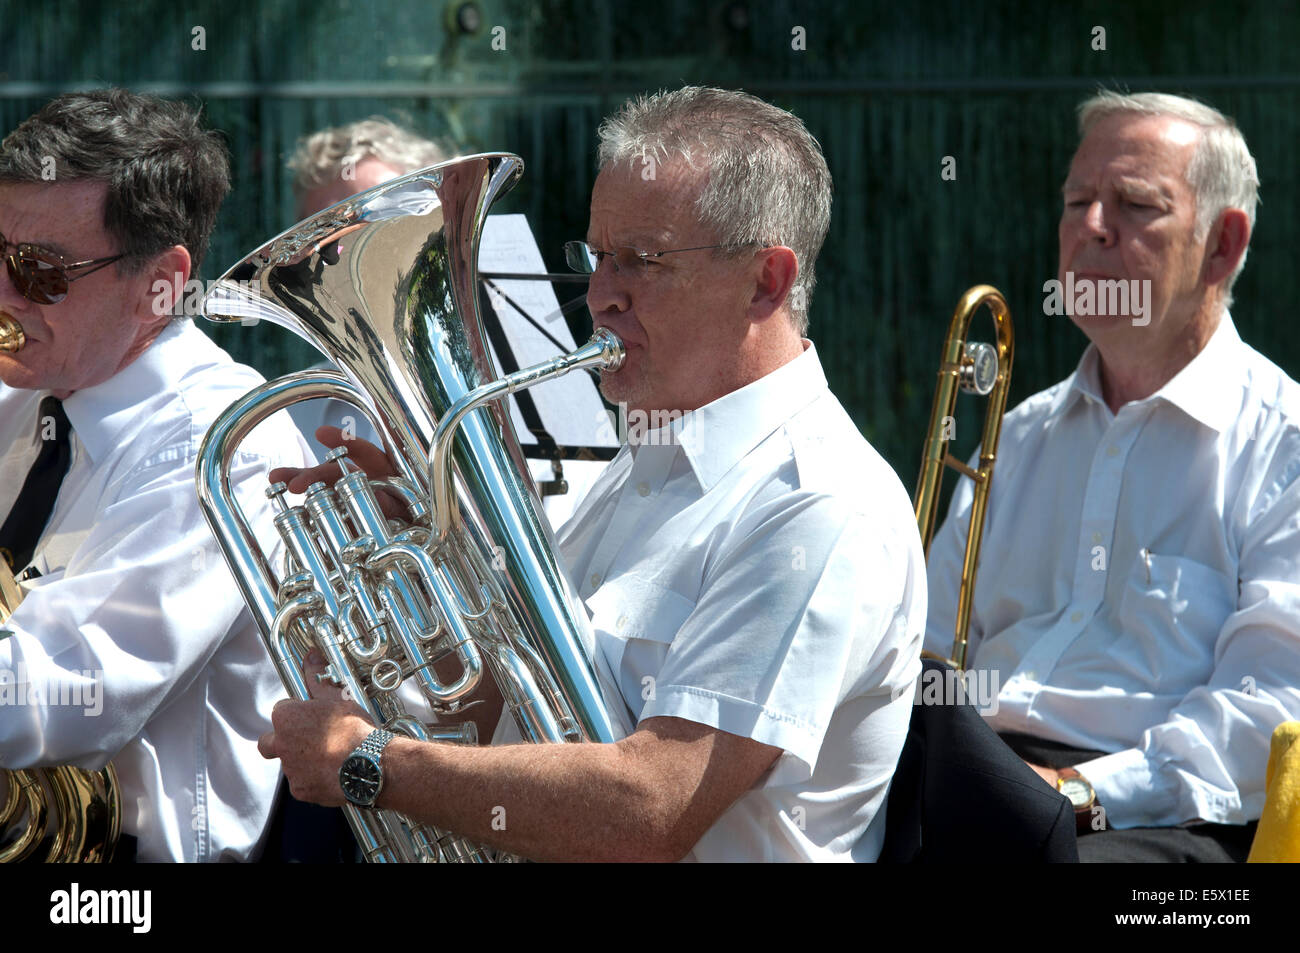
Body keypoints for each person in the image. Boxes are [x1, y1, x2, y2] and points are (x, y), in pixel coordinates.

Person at [259, 86, 926, 862]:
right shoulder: (648, 456)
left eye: (642, 262)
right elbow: (516, 718)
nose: (600, 297)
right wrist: (410, 580)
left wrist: (370, 762)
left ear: (765, 281)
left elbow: (653, 804)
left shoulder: (818, 504)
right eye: (597, 257)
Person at [925, 91, 1300, 862]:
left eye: (1133, 204)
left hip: (1168, 823)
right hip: (977, 778)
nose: (1091, 227)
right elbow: (925, 652)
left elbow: (1273, 710)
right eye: (1076, 201)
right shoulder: (1017, 435)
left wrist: (1079, 793)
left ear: (1223, 244)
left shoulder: (1285, 445)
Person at [0, 89, 312, 861]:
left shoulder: (221, 443)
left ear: (159, 282)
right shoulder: (22, 388)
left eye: (38, 271)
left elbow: (68, 693)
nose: (2, 293)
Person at [285, 117, 611, 529]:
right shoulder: (296, 413)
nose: (343, 253)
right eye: (322, 238)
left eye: (371, 223)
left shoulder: (535, 389)